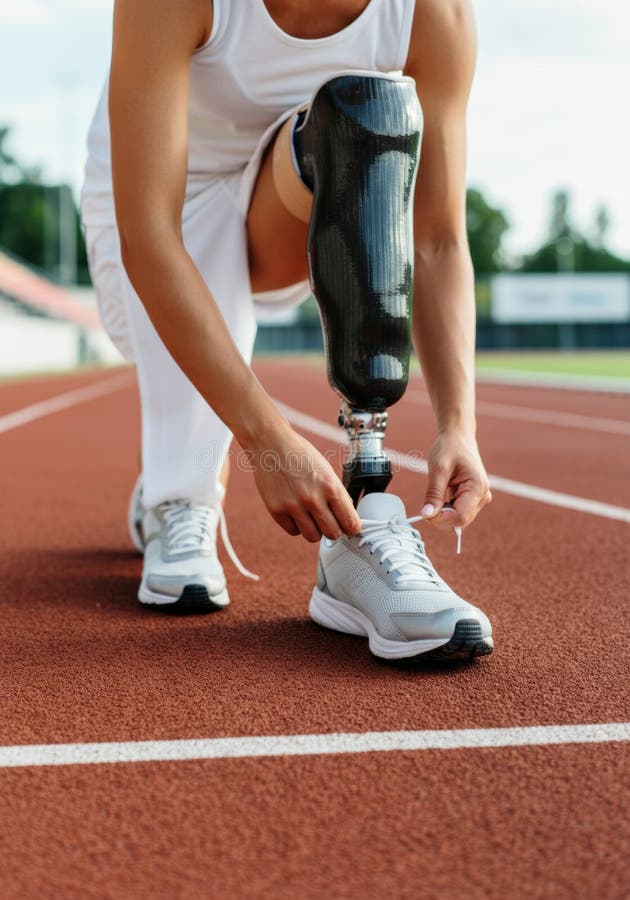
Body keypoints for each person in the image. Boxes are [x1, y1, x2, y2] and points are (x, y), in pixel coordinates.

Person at [81, 0, 493, 661]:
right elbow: (149, 233)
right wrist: (266, 441)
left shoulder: (433, 15)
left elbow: (437, 238)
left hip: (285, 206)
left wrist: (458, 426)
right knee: (184, 468)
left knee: (368, 109)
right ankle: (179, 493)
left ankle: (361, 526)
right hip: (158, 215)